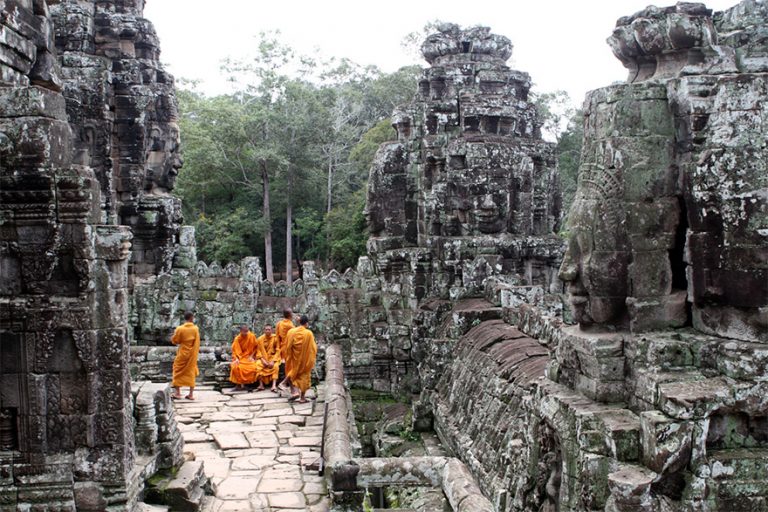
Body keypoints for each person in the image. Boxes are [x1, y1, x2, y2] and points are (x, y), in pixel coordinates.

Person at [284, 315, 317, 403]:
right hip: (305, 361)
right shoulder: (308, 333)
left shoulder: (291, 332)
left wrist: (289, 356)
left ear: (299, 322)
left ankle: (292, 389)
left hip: (295, 359)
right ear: (306, 323)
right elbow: (313, 348)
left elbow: (288, 346)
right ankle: (302, 397)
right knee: (304, 378)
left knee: (295, 374)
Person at [171, 311, 200, 400]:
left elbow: (175, 341)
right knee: (191, 371)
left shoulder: (180, 329)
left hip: (182, 353)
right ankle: (190, 394)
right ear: (192, 318)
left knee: (177, 370)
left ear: (185, 318)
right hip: (192, 353)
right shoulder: (195, 329)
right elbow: (197, 342)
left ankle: (178, 393)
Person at [229, 324, 259, 391]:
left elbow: (256, 348)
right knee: (235, 366)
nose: (246, 333)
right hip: (240, 357)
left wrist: (251, 356)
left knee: (253, 367)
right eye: (244, 331)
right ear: (241, 331)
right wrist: (236, 358)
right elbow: (234, 350)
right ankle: (238, 385)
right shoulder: (237, 339)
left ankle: (246, 385)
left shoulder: (251, 336)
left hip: (249, 357)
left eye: (247, 331)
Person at [254, 325, 281, 392]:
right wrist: (262, 360)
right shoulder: (260, 339)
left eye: (269, 329)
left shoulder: (275, 338)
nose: (267, 331)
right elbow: (258, 351)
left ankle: (274, 385)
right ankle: (261, 385)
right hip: (263, 358)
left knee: (276, 367)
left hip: (273, 358)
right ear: (264, 330)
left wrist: (273, 361)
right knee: (257, 365)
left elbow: (278, 350)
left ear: (272, 330)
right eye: (266, 329)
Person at [275, 308, 295, 389]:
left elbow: (277, 337)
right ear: (290, 315)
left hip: (282, 347)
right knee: (291, 367)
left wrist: (278, 348)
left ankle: (288, 384)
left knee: (288, 366)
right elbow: (295, 336)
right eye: (292, 313)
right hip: (289, 347)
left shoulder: (279, 323)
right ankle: (287, 383)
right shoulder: (290, 325)